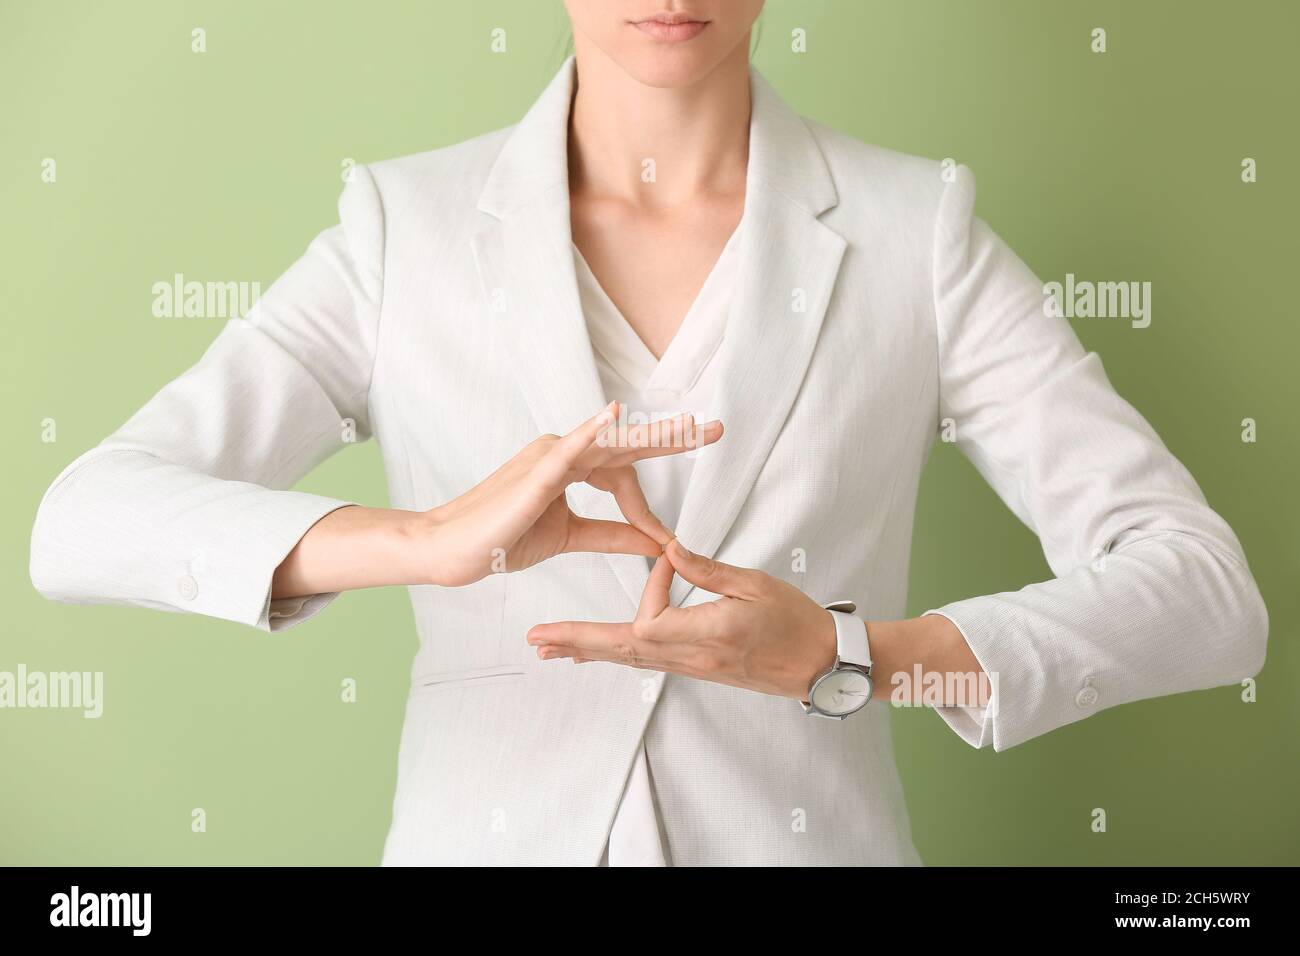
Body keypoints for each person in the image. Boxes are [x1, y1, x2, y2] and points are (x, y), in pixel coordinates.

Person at [30, 1, 1267, 866]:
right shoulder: (398, 229)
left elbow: (1205, 592)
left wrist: (853, 654)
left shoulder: (917, 233)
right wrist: (422, 536)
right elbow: (84, 519)